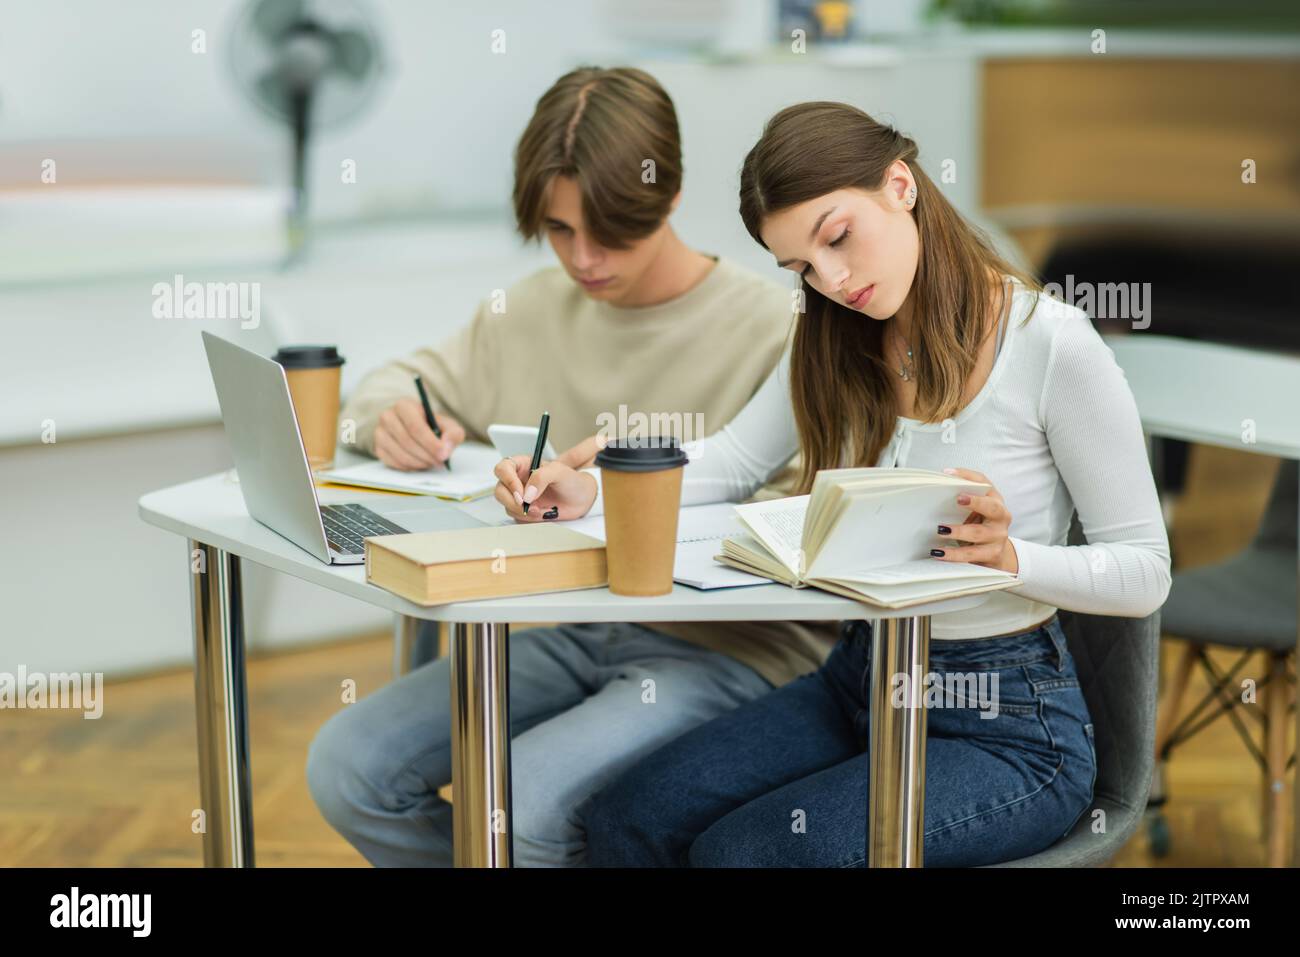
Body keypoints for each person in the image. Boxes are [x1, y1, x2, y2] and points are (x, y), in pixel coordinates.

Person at [494, 101, 1172, 867]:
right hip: (860, 676)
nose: (834, 279)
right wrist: (599, 488)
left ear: (899, 185)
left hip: (1008, 723)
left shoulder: (1051, 345)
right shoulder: (835, 334)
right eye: (803, 269)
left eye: (838, 237)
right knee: (630, 819)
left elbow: (1145, 572)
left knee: (743, 854)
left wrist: (1011, 556)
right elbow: (733, 463)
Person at [306, 68, 840, 867]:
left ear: (672, 193)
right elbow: (385, 387)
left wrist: (601, 506)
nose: (584, 260)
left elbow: (804, 522)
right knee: (349, 767)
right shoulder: (526, 312)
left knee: (518, 806)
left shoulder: (779, 325)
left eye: (611, 232)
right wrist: (391, 423)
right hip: (583, 626)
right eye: (559, 231)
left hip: (738, 649)